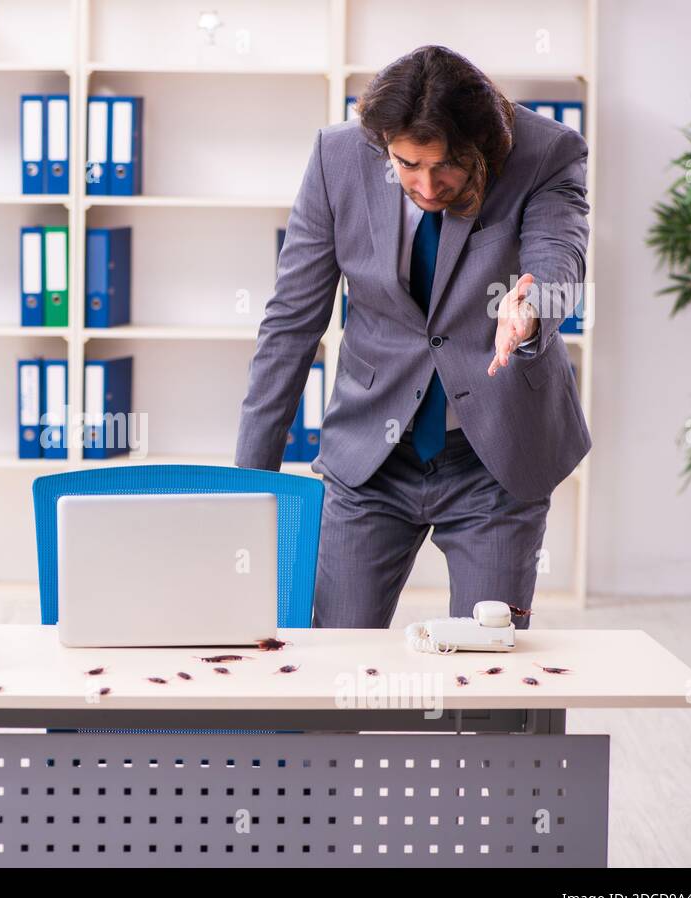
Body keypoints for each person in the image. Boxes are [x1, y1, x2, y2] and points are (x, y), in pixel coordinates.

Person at [235, 45, 591, 630]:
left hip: (495, 459)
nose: (427, 186)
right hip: (371, 456)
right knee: (333, 660)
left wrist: (530, 307)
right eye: (407, 165)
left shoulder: (545, 151)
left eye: (447, 165)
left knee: (489, 676)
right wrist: (250, 484)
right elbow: (291, 320)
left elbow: (562, 259)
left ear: (484, 145)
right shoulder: (338, 157)